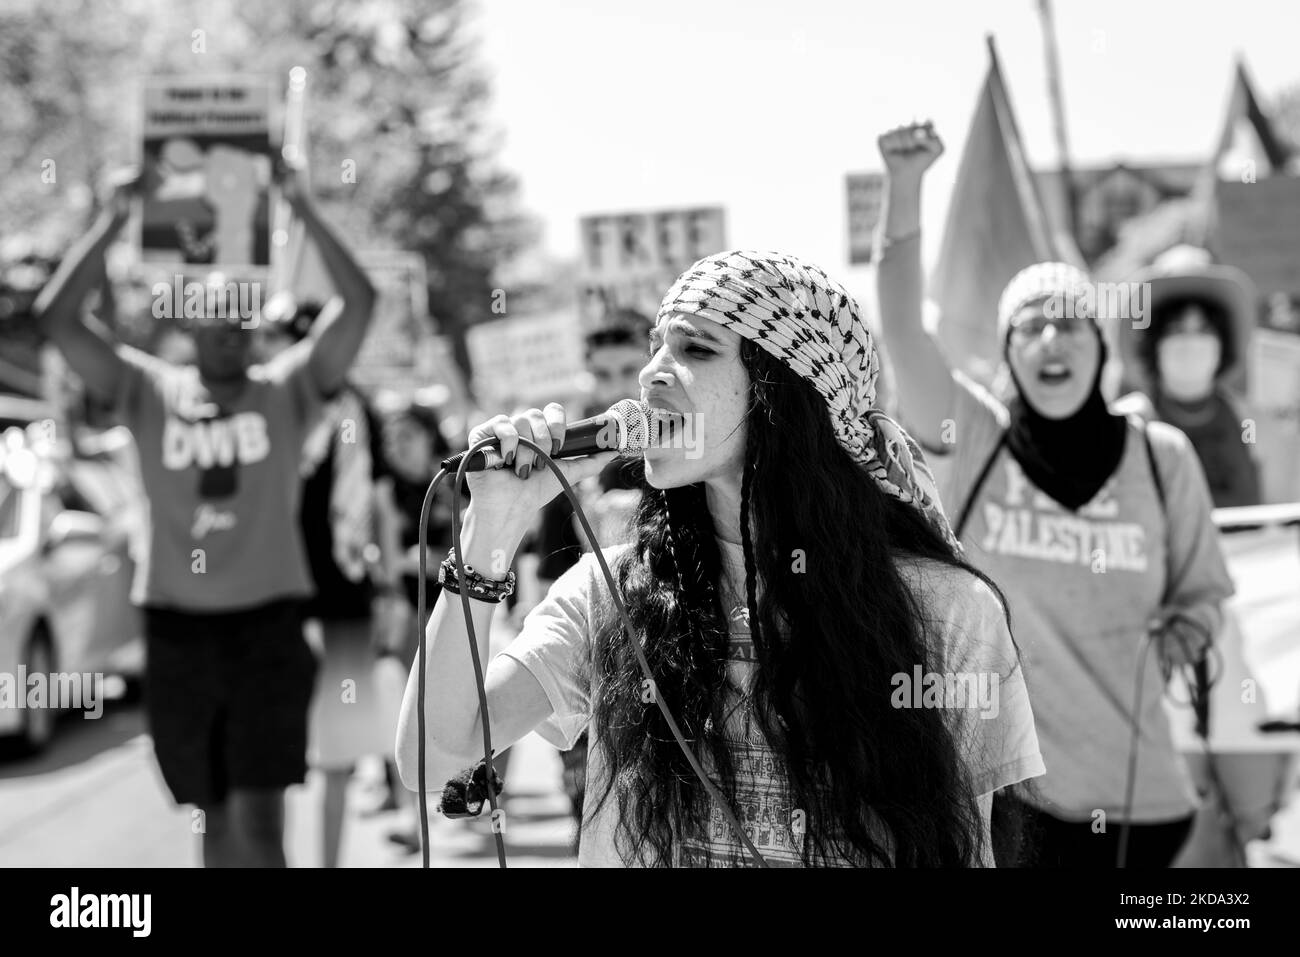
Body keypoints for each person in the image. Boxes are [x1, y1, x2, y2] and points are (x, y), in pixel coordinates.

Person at [396, 250, 1044, 867]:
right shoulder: (609, 591)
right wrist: (491, 529)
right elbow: (433, 756)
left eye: (695, 348)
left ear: (786, 393)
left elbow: (966, 847)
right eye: (657, 345)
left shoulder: (947, 610)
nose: (651, 373)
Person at [875, 121, 1235, 867]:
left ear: (1100, 346)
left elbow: (1204, 594)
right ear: (1008, 354)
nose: (1051, 339)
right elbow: (905, 329)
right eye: (1029, 327)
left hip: (1147, 802)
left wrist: (1185, 632)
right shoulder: (976, 437)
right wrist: (903, 187)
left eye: (1071, 322)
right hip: (1012, 804)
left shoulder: (1162, 457)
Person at [33, 162, 376, 867]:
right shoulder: (146, 389)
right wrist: (114, 215)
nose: (230, 329)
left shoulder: (287, 390)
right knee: (212, 821)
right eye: (214, 315)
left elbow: (360, 301)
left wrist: (302, 204)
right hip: (179, 636)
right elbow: (57, 318)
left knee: (261, 824)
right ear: (188, 320)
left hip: (267, 632)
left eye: (241, 317)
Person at [1116, 246, 1292, 865]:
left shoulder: (1252, 425)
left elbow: (1281, 529)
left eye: (1202, 331)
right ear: (1154, 345)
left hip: (1253, 658)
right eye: (1176, 331)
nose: (1190, 343)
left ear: (1222, 344)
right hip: (1164, 654)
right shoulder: (1127, 429)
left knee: (1258, 815)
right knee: (1183, 833)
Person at [261, 293, 393, 868]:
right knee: (270, 757)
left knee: (336, 755)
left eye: (279, 339)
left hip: (337, 601)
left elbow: (381, 505)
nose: (269, 352)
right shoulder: (262, 406)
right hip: (273, 601)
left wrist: (387, 586)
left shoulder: (354, 410)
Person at [529, 312, 650, 835]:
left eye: (629, 369)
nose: (618, 389)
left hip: (683, 671)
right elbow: (547, 578)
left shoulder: (697, 456)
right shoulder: (574, 463)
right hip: (595, 677)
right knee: (594, 827)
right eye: (603, 375)